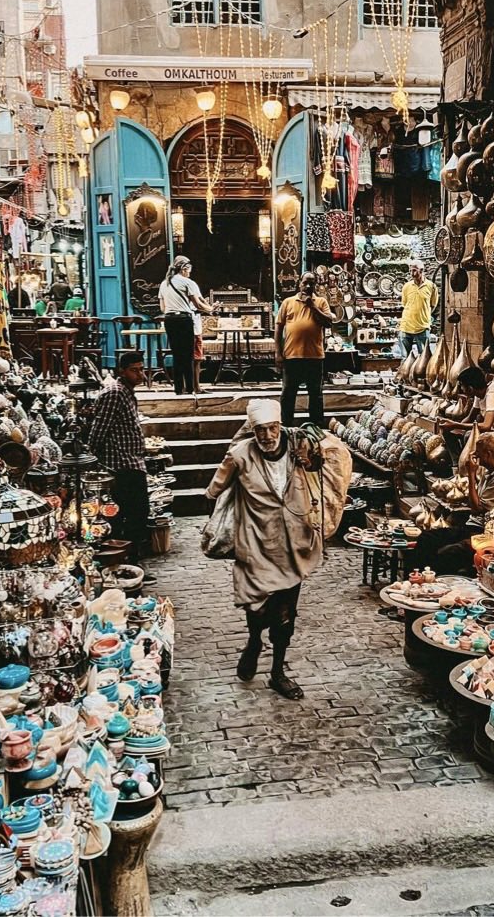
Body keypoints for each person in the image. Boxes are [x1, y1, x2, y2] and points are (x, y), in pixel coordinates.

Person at [205, 399, 324, 700]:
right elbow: (213, 490)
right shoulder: (240, 455)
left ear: (280, 426)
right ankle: (254, 640)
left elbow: (324, 460)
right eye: (260, 431)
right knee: (256, 605)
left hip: (293, 542)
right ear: (252, 431)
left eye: (272, 429)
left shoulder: (299, 444)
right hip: (255, 542)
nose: (268, 437)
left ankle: (277, 673)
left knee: (286, 612)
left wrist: (311, 461)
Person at [410, 432, 494, 576]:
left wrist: (471, 474)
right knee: (427, 538)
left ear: (488, 454)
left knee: (445, 554)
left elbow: (477, 508)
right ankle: (416, 579)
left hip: (488, 534)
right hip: (474, 526)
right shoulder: (490, 470)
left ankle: (435, 584)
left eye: (478, 452)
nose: (474, 454)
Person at [88, 351, 155, 583]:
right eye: (135, 370)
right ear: (122, 371)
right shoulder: (114, 393)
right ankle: (125, 564)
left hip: (132, 462)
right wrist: (94, 458)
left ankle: (131, 562)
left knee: (137, 516)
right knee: (128, 516)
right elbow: (99, 429)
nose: (140, 374)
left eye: (141, 369)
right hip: (120, 465)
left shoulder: (126, 392)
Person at [275, 272, 335, 427]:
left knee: (315, 394)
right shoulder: (288, 302)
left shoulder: (321, 302)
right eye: (305, 283)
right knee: (288, 393)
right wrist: (278, 353)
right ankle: (286, 424)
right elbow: (278, 328)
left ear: (315, 285)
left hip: (314, 356)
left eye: (312, 283)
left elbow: (328, 323)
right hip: (292, 356)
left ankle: (316, 425)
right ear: (299, 283)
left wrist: (312, 306)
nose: (308, 286)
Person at [158, 256, 215, 395]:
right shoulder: (186, 282)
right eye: (189, 270)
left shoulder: (164, 283)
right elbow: (197, 304)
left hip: (170, 320)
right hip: (184, 319)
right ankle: (190, 388)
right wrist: (210, 309)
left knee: (177, 355)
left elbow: (162, 308)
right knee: (188, 354)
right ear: (184, 269)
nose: (189, 273)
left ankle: (178, 388)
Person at [398, 260, 438, 358]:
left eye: (414, 271)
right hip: (406, 326)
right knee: (405, 358)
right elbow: (405, 304)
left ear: (421, 270)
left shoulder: (431, 286)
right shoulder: (407, 286)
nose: (412, 274)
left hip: (422, 327)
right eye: (410, 271)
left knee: (424, 358)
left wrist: (424, 315)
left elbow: (433, 305)